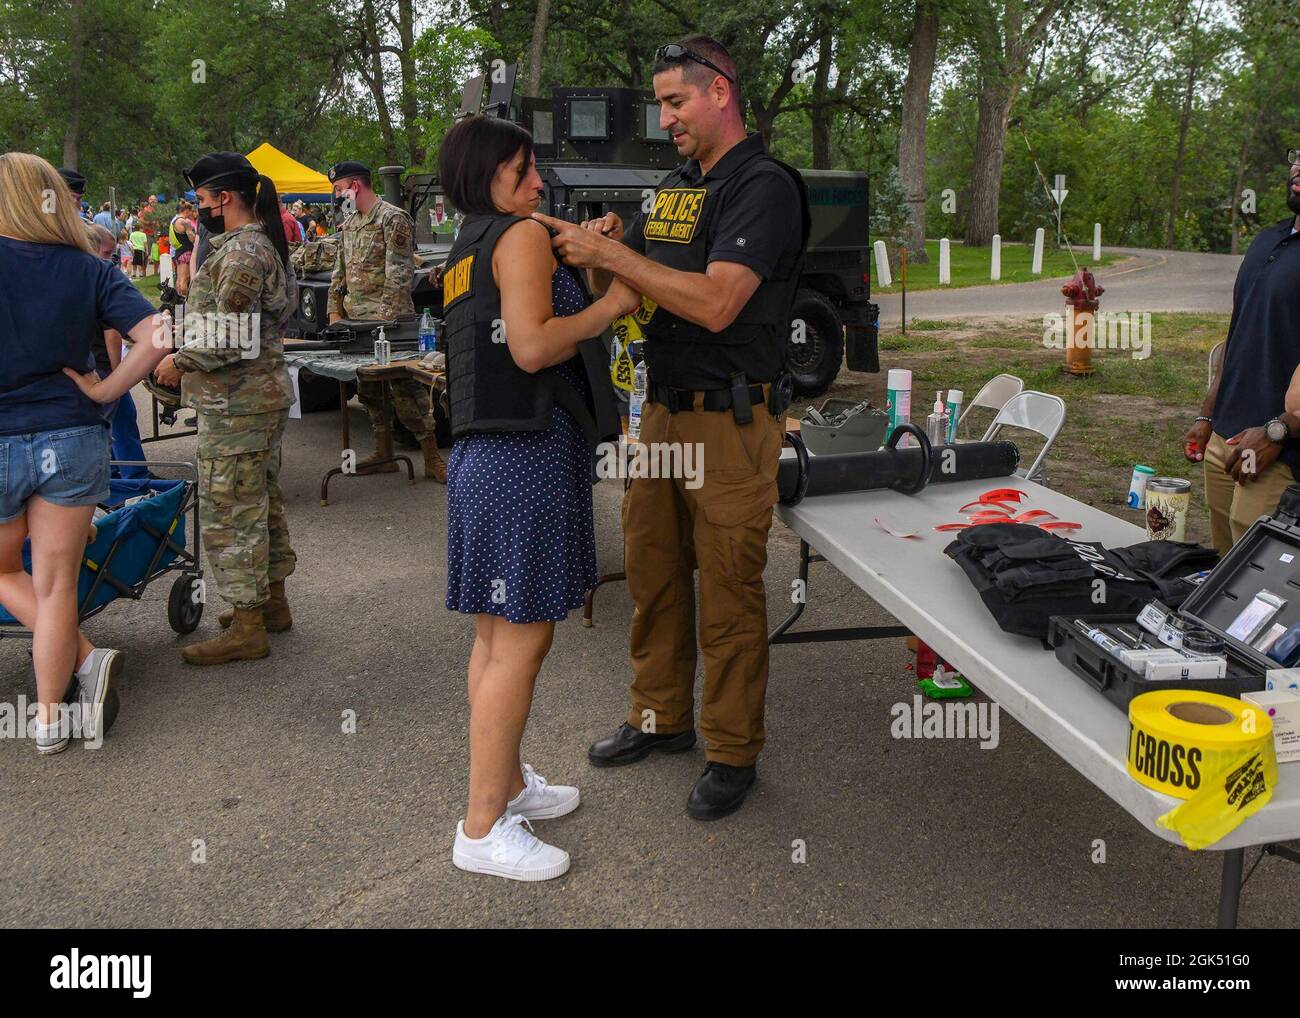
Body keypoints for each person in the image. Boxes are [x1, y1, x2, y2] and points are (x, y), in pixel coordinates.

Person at [534, 36, 809, 820]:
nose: (666, 119)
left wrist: (612, 256)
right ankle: (660, 719)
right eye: (660, 103)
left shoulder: (763, 187)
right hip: (662, 412)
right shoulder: (675, 186)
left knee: (727, 588)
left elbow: (719, 301)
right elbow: (631, 286)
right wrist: (607, 253)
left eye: (676, 102)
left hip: (732, 418)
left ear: (720, 92)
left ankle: (731, 751)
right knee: (654, 575)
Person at [438, 116, 633, 881]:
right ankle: (482, 825)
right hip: (525, 456)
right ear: (488, 175)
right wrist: (614, 304)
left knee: (495, 637)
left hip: (486, 454)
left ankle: (508, 785)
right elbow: (532, 345)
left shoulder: (473, 241)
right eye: (523, 172)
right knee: (522, 639)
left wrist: (580, 245)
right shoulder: (516, 237)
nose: (538, 183)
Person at [85, 152, 299, 666]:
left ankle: (250, 625)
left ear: (224, 199)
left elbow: (234, 333)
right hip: (248, 402)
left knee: (232, 509)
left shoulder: (244, 252)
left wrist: (178, 360)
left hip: (238, 405)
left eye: (202, 200)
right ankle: (270, 606)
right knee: (259, 500)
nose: (198, 209)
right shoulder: (246, 245)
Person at [0, 153, 172, 753]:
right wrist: (104, 389)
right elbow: (157, 335)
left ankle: (88, 663)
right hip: (72, 436)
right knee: (55, 586)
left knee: (5, 573)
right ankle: (49, 720)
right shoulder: (87, 268)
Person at [1185, 147, 1300, 553]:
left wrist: (1276, 433)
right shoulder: (1269, 238)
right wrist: (1207, 413)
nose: (1298, 166)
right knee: (1220, 569)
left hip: (1279, 452)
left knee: (1257, 580)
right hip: (1225, 438)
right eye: (1298, 155)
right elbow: (1239, 332)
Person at [326, 160, 446, 482]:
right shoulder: (350, 222)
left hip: (390, 324)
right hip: (356, 324)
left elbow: (399, 275)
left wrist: (382, 324)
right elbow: (340, 271)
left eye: (340, 189)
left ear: (355, 186)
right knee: (369, 391)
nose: (337, 196)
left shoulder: (392, 219)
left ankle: (432, 457)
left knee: (407, 392)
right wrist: (334, 312)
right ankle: (384, 453)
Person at [86, 225, 151, 479]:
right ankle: (135, 479)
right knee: (123, 422)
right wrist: (118, 373)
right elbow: (112, 333)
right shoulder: (101, 279)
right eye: (107, 253)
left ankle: (112, 475)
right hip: (105, 365)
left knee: (104, 428)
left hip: (87, 365)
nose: (112, 260)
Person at [170, 201, 197, 296]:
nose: (192, 213)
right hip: (186, 252)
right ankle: (185, 301)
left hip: (178, 251)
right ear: (186, 210)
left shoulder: (174, 220)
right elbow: (192, 238)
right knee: (185, 279)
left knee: (179, 279)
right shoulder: (184, 222)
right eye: (191, 211)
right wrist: (193, 232)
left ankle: (178, 301)